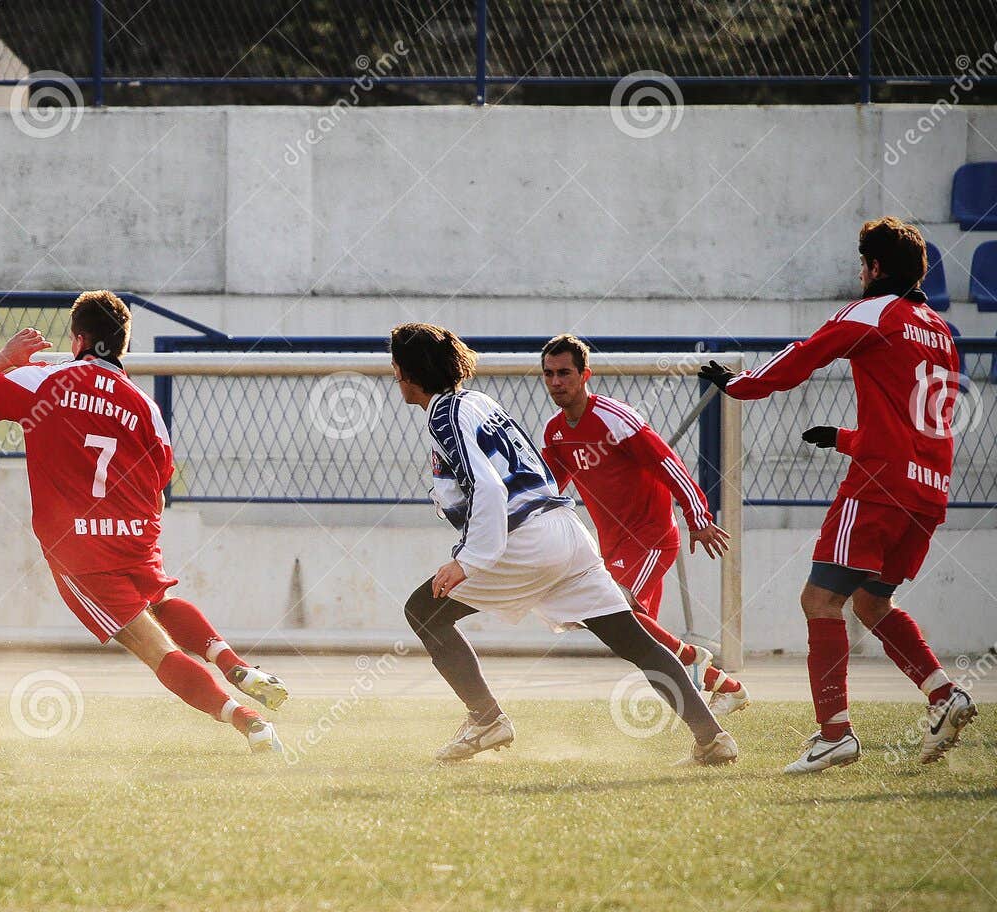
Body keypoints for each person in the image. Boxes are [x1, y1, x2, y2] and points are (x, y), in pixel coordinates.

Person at [0, 291, 288, 754]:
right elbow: (162, 477)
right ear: (123, 345)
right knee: (162, 605)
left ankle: (246, 720)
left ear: (78, 339)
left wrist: (5, 357)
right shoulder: (144, 405)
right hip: (136, 537)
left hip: (81, 552)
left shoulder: (42, 380)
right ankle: (232, 662)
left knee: (156, 650)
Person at [393, 322, 736, 766]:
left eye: (396, 368)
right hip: (566, 532)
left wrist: (468, 560)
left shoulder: (443, 415)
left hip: (524, 540)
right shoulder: (478, 402)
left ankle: (486, 720)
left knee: (423, 612)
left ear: (407, 372)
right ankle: (712, 739)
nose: (394, 377)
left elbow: (490, 489)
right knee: (633, 640)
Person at [704, 216, 977, 772]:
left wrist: (739, 384)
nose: (859, 274)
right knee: (873, 603)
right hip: (927, 493)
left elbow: (804, 355)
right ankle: (946, 696)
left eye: (861, 264)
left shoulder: (875, 312)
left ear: (874, 267)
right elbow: (918, 421)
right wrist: (846, 438)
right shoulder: (940, 332)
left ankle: (834, 734)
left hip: (878, 489)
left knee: (819, 601)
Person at [538, 333, 749, 717]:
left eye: (565, 373)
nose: (556, 382)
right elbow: (545, 490)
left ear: (586, 375)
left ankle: (692, 660)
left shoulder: (615, 419)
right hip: (612, 547)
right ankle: (724, 687)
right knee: (629, 632)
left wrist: (697, 517)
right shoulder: (554, 433)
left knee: (616, 611)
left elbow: (666, 463)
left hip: (650, 539)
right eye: (549, 374)